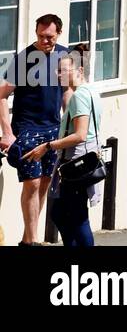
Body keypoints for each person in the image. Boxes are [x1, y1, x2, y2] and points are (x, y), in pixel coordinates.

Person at [22, 44, 101, 247]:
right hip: (84, 161)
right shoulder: (92, 91)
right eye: (58, 70)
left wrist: (48, 146)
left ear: (80, 71)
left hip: (76, 165)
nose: (59, 74)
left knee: (77, 217)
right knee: (61, 213)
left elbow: (80, 135)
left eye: (64, 70)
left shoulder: (80, 97)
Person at [0, 13, 69, 245]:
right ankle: (32, 240)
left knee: (45, 183)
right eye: (40, 36)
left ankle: (27, 240)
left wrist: (70, 124)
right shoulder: (24, 59)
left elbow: (68, 90)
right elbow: (1, 96)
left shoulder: (66, 55)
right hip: (28, 130)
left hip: (54, 129)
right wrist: (8, 133)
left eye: (49, 37)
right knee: (33, 183)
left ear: (58, 33)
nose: (44, 41)